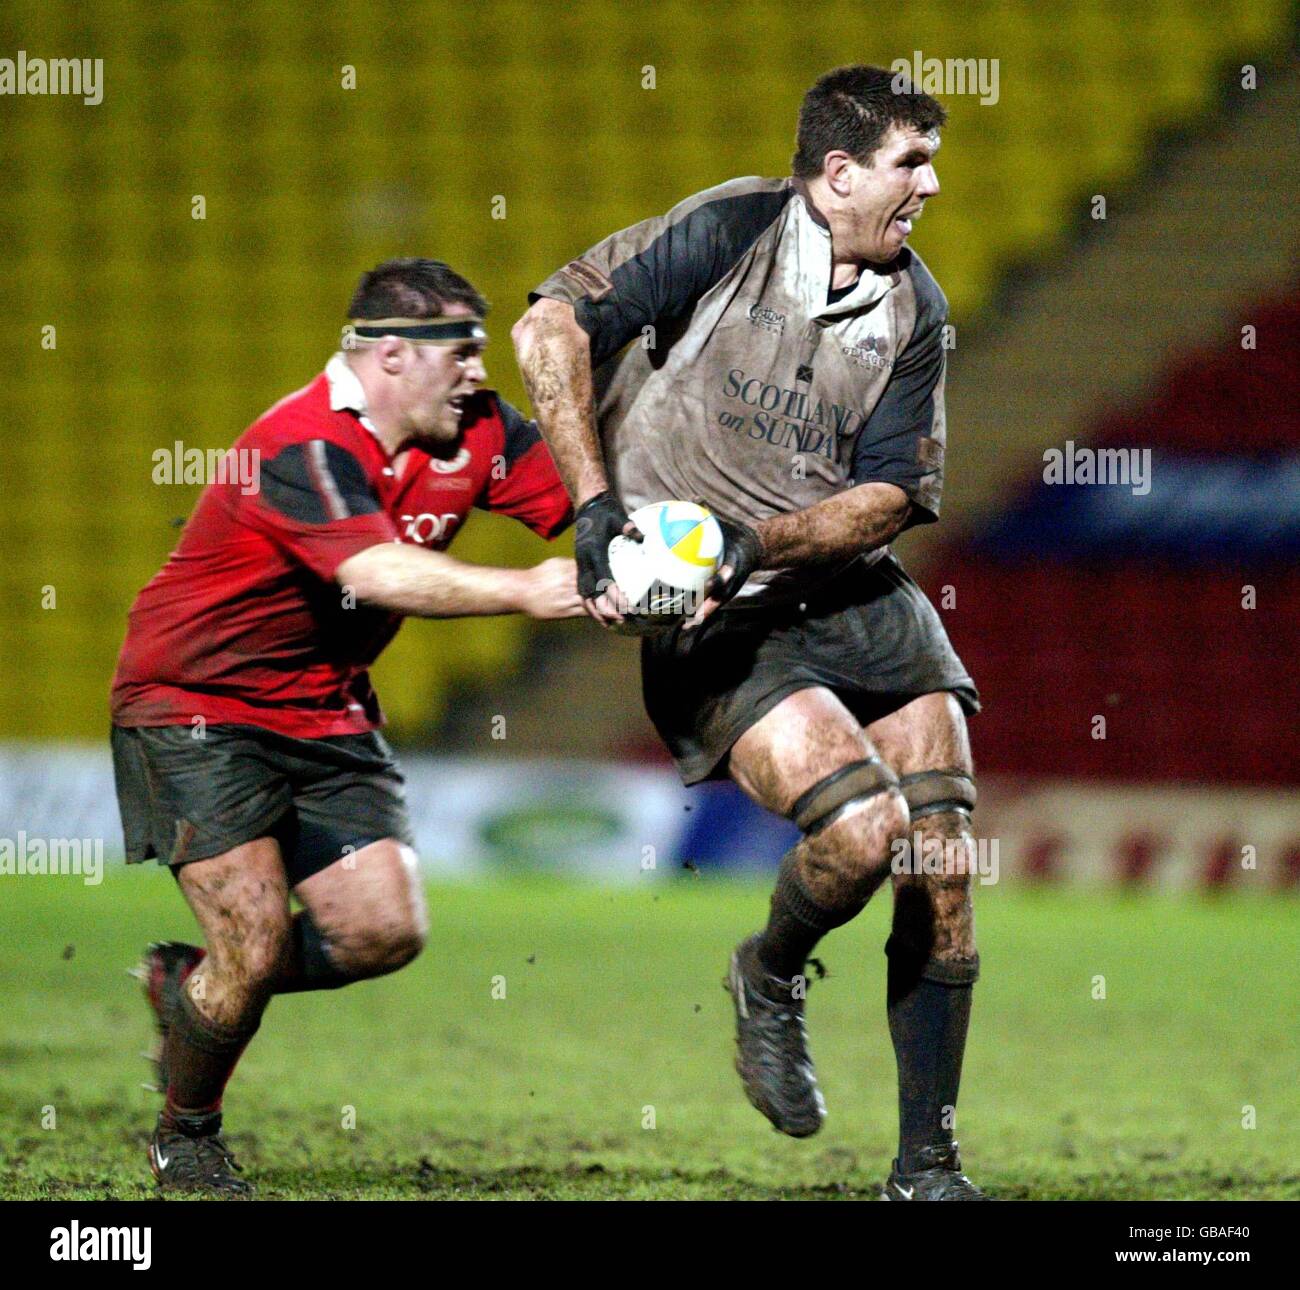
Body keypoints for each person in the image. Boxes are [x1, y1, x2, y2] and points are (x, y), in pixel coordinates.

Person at [513, 66, 988, 1200]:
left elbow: (891, 499)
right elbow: (548, 326)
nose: (929, 183)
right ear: (836, 173)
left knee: (943, 860)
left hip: (849, 591)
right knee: (864, 831)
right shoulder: (727, 231)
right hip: (720, 624)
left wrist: (753, 542)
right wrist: (592, 505)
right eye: (908, 162)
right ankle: (769, 975)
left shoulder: (915, 308)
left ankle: (927, 1167)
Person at [112, 257, 580, 1194]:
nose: (480, 374)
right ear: (394, 355)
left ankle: (188, 989)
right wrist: (529, 591)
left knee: (381, 932)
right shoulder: (302, 444)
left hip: (327, 707)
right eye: (464, 353)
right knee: (253, 940)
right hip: (197, 706)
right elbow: (373, 573)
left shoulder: (479, 430)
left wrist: (688, 554)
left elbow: (591, 513)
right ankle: (186, 1137)